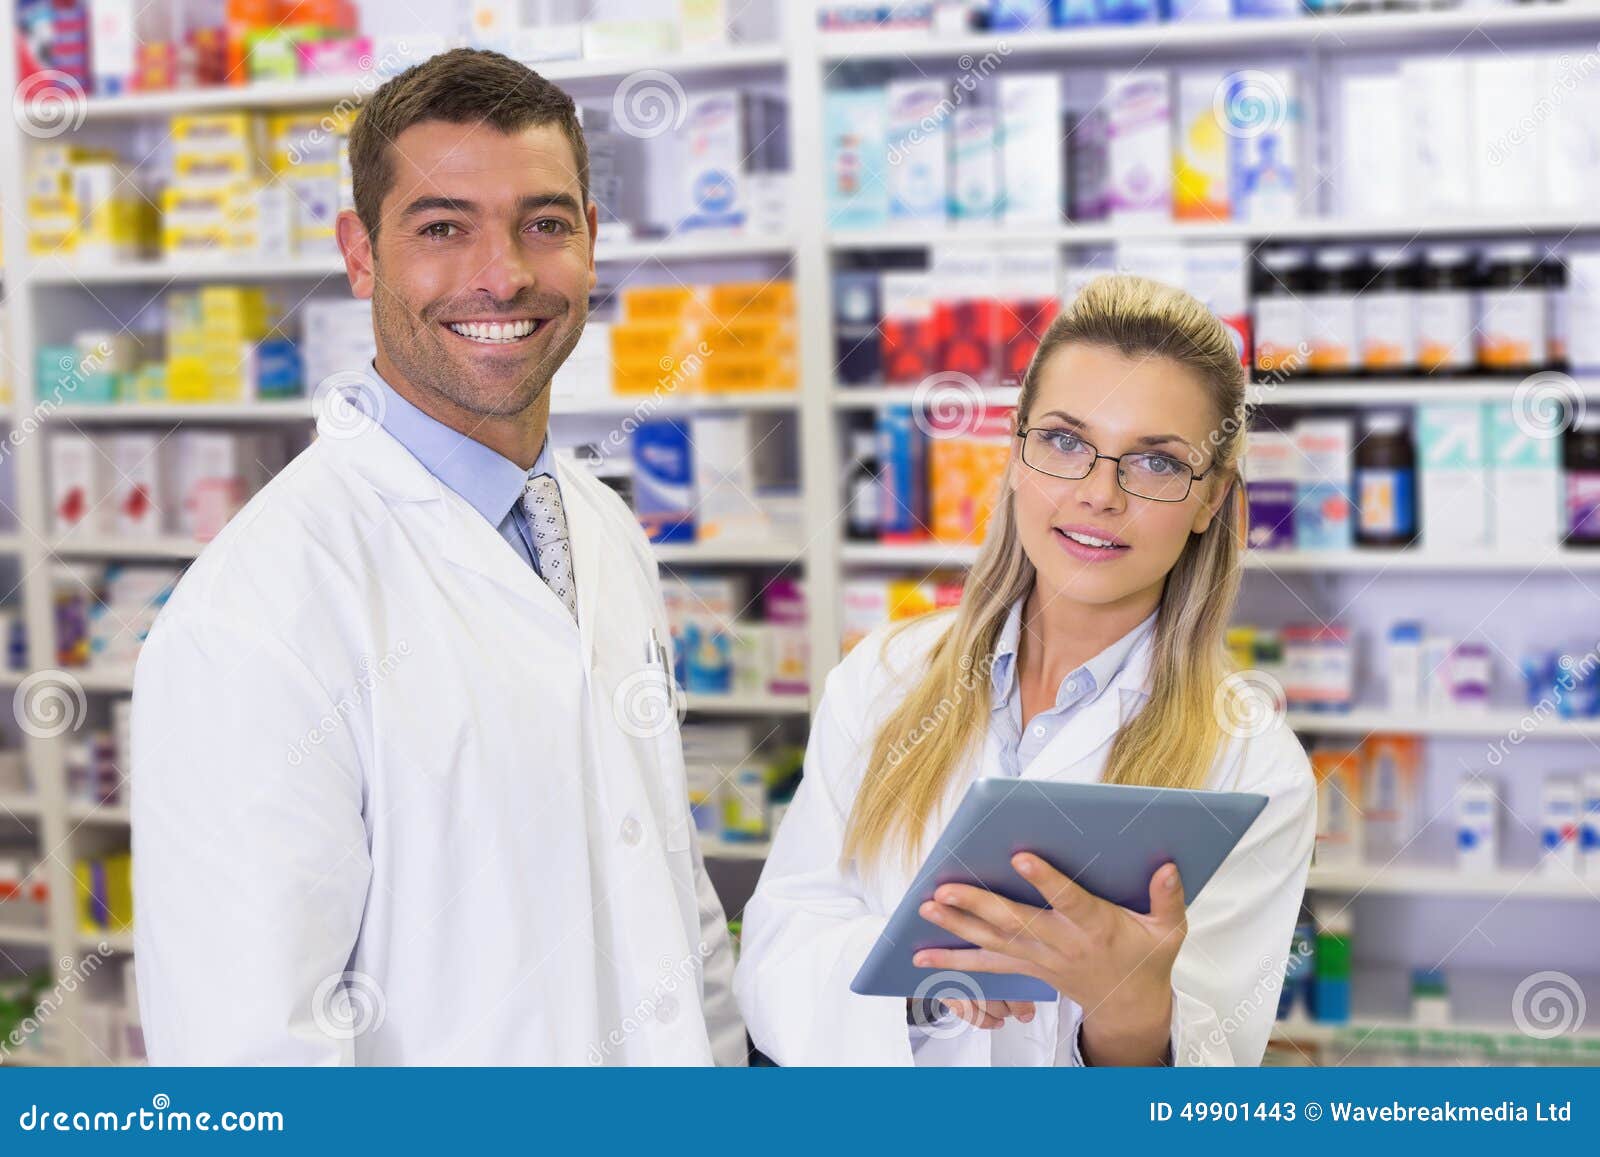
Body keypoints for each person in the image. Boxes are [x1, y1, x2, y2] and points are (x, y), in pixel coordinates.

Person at [131, 49, 744, 1065]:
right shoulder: (255, 615)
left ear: (591, 242)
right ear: (362, 253)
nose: (500, 274)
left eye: (543, 223)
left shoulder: (599, 528)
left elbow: (669, 894)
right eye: (441, 227)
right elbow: (248, 1059)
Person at [734, 274, 1316, 1066]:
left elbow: (1205, 1080)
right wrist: (926, 973)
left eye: (1155, 462)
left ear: (1211, 499)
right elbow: (777, 952)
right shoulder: (883, 678)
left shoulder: (1253, 760)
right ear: (1015, 452)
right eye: (1067, 442)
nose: (1099, 494)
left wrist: (1134, 1007)